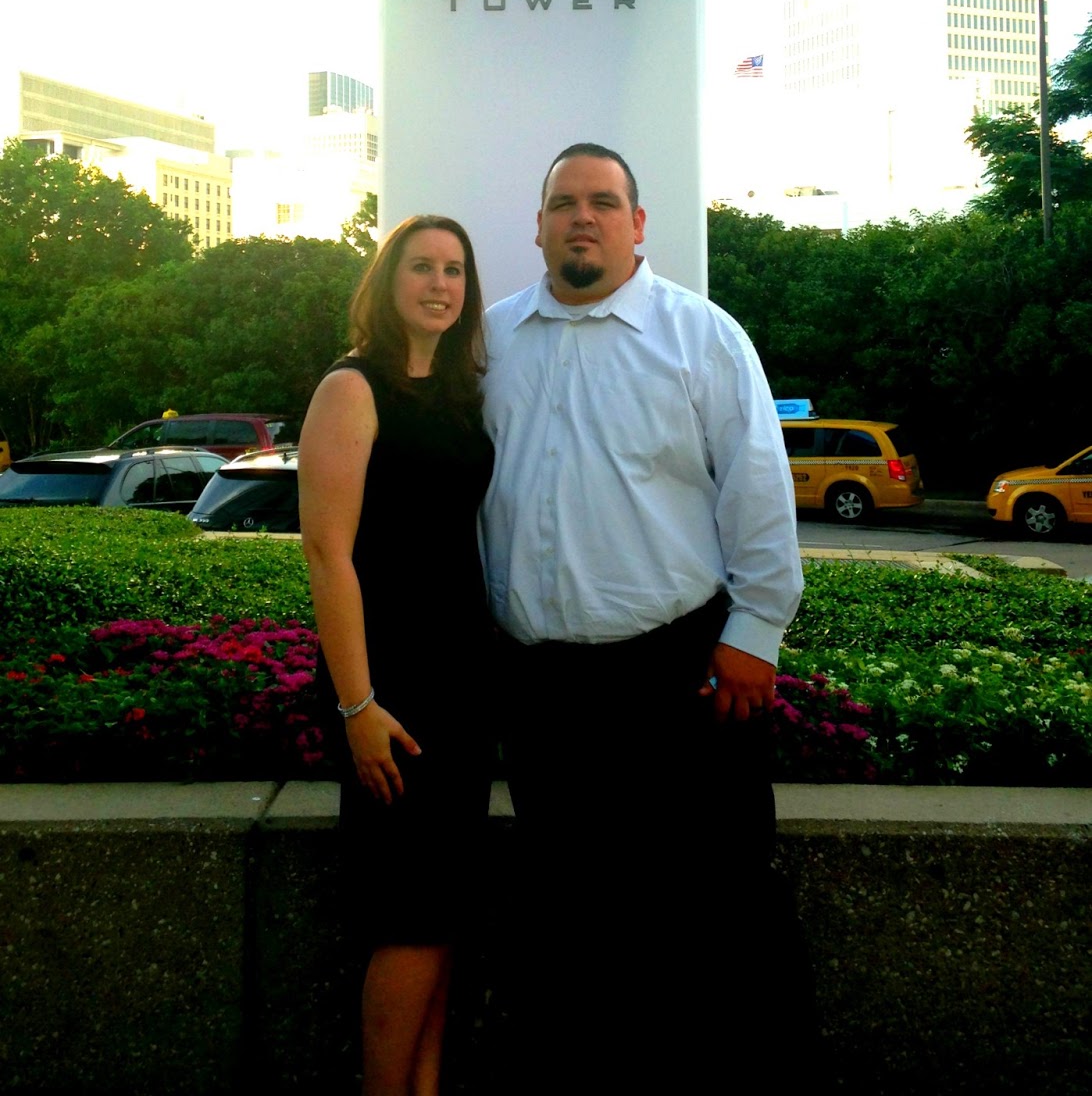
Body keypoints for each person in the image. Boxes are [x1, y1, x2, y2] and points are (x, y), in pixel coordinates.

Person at [480, 143, 806, 1091]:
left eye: (603, 203)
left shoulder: (699, 337)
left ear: (638, 223)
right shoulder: (491, 342)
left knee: (716, 913)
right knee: (570, 920)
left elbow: (758, 492)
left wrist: (755, 636)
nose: (582, 218)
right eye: (563, 203)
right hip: (544, 691)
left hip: (682, 675)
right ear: (538, 224)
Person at [298, 215, 494, 1096]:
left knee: (444, 919)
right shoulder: (353, 387)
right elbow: (326, 553)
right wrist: (356, 706)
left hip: (461, 686)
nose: (440, 284)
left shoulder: (456, 394)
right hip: (393, 694)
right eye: (422, 266)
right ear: (387, 281)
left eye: (454, 270)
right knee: (410, 918)